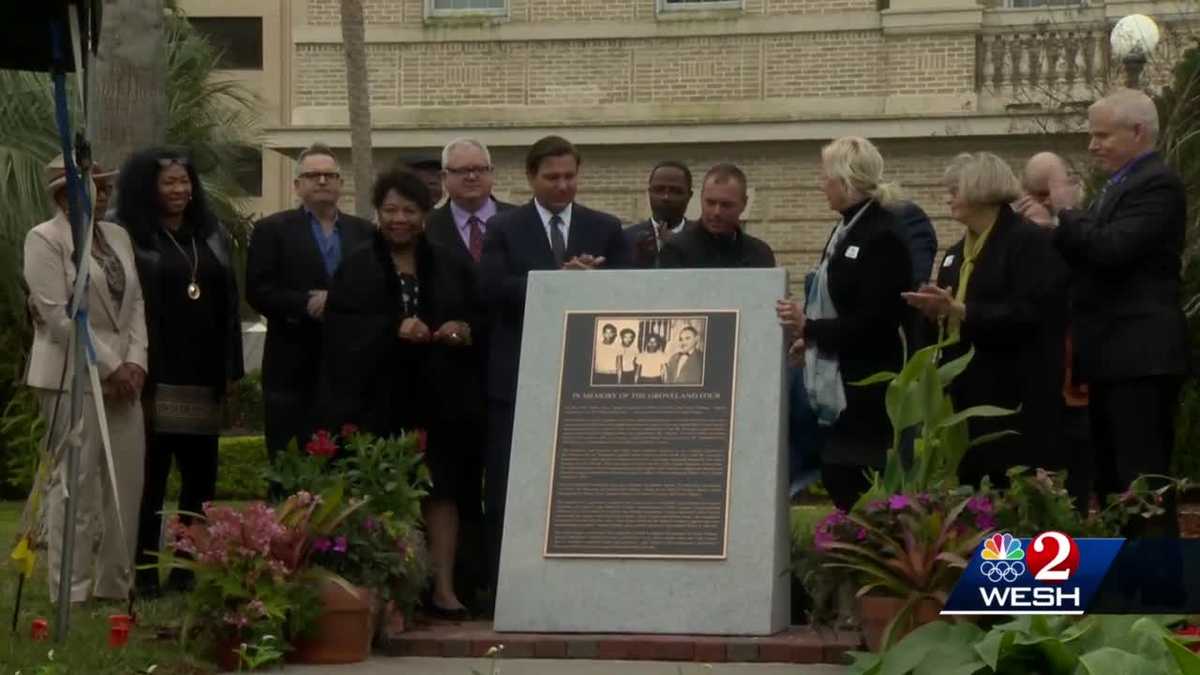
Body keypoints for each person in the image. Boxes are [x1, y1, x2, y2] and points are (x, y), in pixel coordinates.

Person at [319, 168, 480, 618]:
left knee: (442, 491)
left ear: (425, 214)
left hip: (439, 398)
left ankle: (444, 589)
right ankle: (385, 592)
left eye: (409, 210)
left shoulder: (450, 262)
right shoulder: (357, 263)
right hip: (377, 399)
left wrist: (461, 330)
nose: (399, 219)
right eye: (389, 210)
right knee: (379, 493)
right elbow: (340, 327)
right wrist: (392, 328)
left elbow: (478, 316)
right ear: (377, 213)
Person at [479, 134, 631, 595]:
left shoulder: (605, 227)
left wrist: (593, 285)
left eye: (570, 176)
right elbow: (491, 291)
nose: (563, 186)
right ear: (531, 178)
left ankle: (590, 586)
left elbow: (630, 293)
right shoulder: (504, 228)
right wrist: (554, 283)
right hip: (520, 378)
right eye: (552, 178)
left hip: (589, 380)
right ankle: (504, 587)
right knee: (510, 488)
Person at [1048, 89, 1189, 536]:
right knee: (1111, 483)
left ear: (1138, 132)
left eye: (1101, 135)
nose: (1092, 146)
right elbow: (1089, 253)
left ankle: (1156, 595)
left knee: (1140, 483)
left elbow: (1111, 249)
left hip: (1140, 358)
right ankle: (1123, 589)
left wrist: (1068, 211)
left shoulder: (1158, 184)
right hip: (1111, 357)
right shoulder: (1116, 187)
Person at [119, 148, 244, 597]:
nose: (180, 191)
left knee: (200, 481)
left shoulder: (209, 234)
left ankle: (188, 568)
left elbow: (230, 305)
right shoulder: (128, 235)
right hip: (154, 373)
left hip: (204, 374)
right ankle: (145, 573)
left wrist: (233, 367)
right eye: (169, 183)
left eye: (185, 181)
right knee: (151, 480)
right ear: (147, 188)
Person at [903, 152, 1068, 488]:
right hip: (965, 392)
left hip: (1014, 393)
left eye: (955, 189)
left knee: (1012, 488)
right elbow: (948, 314)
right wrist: (931, 312)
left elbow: (1034, 313)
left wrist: (963, 311)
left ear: (982, 190)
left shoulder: (1027, 241)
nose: (948, 197)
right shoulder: (954, 252)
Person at [24, 155, 146, 603]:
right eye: (95, 185)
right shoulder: (44, 239)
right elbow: (58, 316)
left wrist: (135, 362)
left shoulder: (118, 236)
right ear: (65, 193)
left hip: (125, 378)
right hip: (68, 374)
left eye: (107, 185)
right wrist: (111, 365)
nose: (105, 192)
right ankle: (70, 591)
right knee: (74, 482)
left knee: (126, 483)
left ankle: (115, 584)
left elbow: (134, 306)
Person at [776, 136, 911, 511]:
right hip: (837, 382)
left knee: (852, 481)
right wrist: (810, 338)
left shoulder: (882, 235)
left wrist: (811, 329)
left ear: (845, 179)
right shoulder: (845, 229)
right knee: (835, 475)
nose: (821, 185)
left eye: (825, 177)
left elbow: (875, 323)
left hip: (864, 389)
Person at [246, 143, 374, 479]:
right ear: (297, 185)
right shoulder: (272, 230)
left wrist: (338, 301)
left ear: (340, 183)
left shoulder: (364, 233)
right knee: (290, 470)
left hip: (348, 368)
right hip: (291, 365)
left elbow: (377, 291)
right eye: (312, 176)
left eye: (329, 175)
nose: (321, 182)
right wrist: (304, 303)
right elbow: (258, 291)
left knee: (346, 471)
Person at [422, 137, 513, 611]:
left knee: (504, 485)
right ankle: (453, 585)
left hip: (511, 375)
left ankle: (501, 585)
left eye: (480, 168)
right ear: (444, 180)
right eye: (461, 171)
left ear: (493, 173)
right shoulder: (427, 229)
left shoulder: (520, 222)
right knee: (452, 486)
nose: (472, 176)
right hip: (448, 379)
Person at [1017, 151, 1093, 513]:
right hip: (1040, 373)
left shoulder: (1085, 225)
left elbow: (1080, 284)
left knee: (1079, 470)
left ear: (1071, 188)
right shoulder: (1022, 238)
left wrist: (1052, 232)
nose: (1041, 204)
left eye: (1048, 194)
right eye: (1033, 194)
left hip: (1079, 373)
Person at [658, 163, 775, 269]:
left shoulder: (759, 254)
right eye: (710, 203)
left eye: (726, 205)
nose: (716, 212)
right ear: (701, 198)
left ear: (744, 203)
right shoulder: (675, 250)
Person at [624, 161, 695, 268]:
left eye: (675, 191)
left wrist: (678, 245)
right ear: (649, 192)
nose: (665, 197)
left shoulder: (701, 239)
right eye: (659, 190)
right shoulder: (625, 239)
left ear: (689, 195)